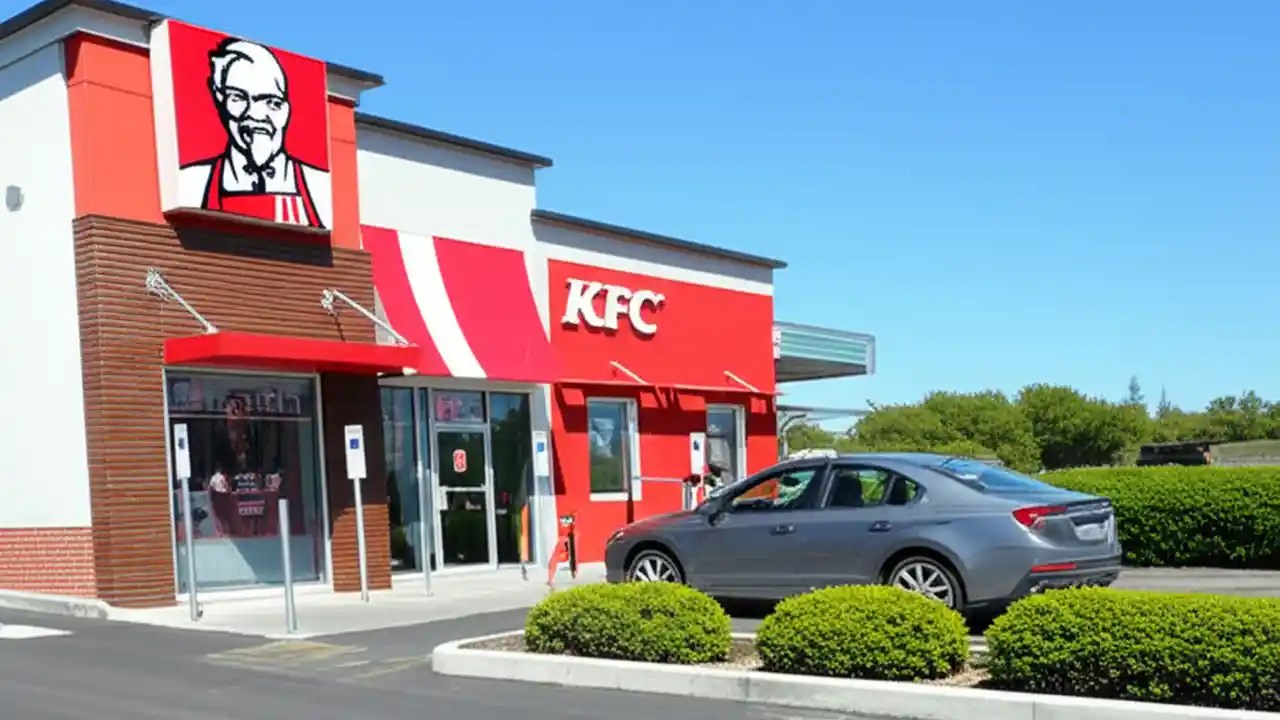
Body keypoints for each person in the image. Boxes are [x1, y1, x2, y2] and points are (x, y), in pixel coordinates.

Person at [179, 37, 329, 228]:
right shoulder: (192, 183)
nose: (255, 114)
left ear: (285, 111)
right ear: (220, 102)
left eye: (271, 102)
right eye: (238, 97)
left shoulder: (319, 187)